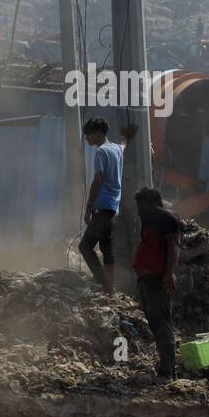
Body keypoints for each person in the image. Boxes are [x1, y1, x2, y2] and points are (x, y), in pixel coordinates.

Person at [133, 188, 183, 380]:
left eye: (141, 205)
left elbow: (174, 246)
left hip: (158, 279)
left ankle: (166, 372)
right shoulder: (150, 221)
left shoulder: (167, 219)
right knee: (156, 323)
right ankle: (168, 368)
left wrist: (169, 274)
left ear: (152, 203)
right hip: (147, 279)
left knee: (162, 325)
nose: (139, 210)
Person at [79, 117, 124, 294]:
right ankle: (108, 287)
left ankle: (104, 283)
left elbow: (97, 180)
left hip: (102, 205)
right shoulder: (117, 149)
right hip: (114, 206)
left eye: (88, 135)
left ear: (97, 133)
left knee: (85, 246)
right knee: (107, 246)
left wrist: (89, 207)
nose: (86, 138)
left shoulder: (101, 152)